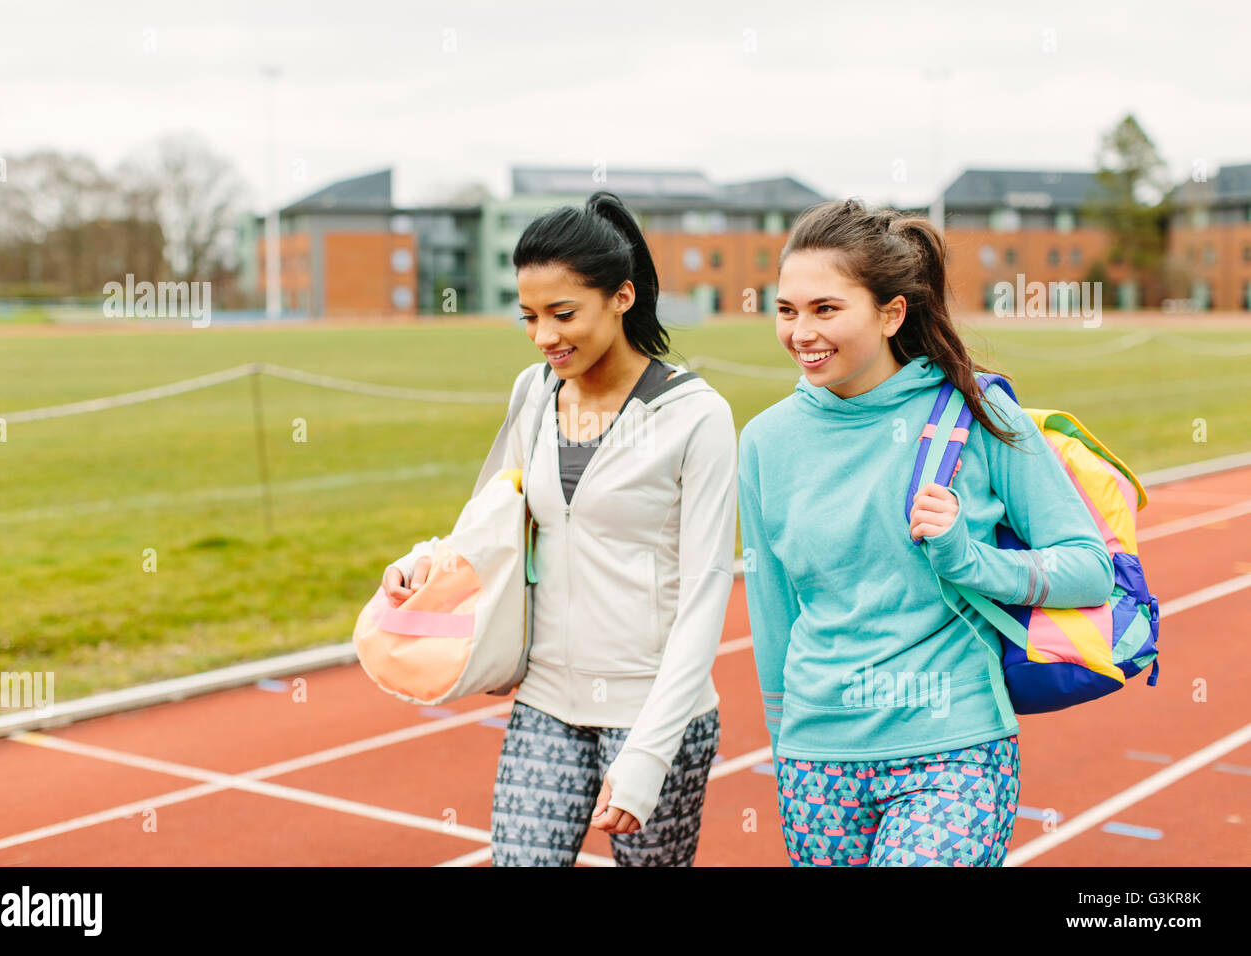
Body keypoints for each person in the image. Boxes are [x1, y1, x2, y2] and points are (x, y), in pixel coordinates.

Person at [737, 198, 1114, 866]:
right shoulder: (765, 441)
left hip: (954, 750)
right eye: (786, 310)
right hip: (816, 759)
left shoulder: (978, 412)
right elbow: (772, 610)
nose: (801, 332)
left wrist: (969, 560)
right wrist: (784, 742)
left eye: (826, 309)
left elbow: (1089, 568)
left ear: (891, 312)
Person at [383, 191, 737, 866]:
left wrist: (649, 756)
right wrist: (425, 561)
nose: (545, 335)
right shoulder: (534, 392)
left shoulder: (698, 416)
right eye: (529, 316)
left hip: (655, 713)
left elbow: (707, 589)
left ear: (623, 296)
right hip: (547, 701)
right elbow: (490, 516)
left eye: (563, 313)